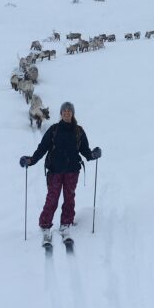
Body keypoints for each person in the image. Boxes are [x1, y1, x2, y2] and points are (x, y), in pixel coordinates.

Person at [19, 101, 101, 242]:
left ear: (72, 113)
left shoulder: (78, 131)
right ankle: (45, 225)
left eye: (69, 111)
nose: (67, 113)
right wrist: (31, 160)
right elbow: (42, 148)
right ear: (61, 113)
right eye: (64, 111)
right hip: (55, 170)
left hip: (72, 171)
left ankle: (66, 224)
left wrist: (93, 155)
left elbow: (86, 151)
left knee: (69, 199)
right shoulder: (54, 129)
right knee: (52, 198)